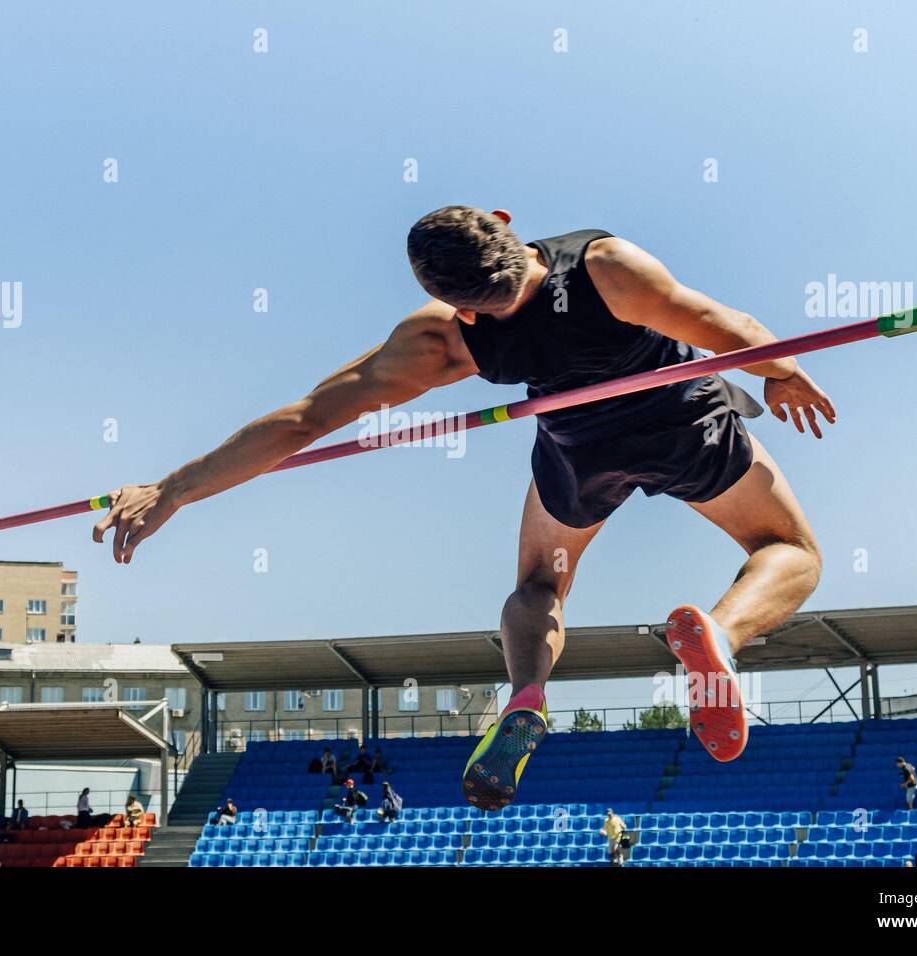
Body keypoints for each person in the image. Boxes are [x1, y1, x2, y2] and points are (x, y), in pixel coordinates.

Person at [92, 207, 831, 812]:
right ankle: (721, 636)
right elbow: (728, 330)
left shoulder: (443, 338)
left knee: (540, 586)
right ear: (505, 223)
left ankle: (527, 695)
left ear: (463, 305)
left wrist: (171, 490)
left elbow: (305, 421)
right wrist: (785, 374)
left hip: (579, 455)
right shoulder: (608, 268)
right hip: (683, 425)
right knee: (788, 550)